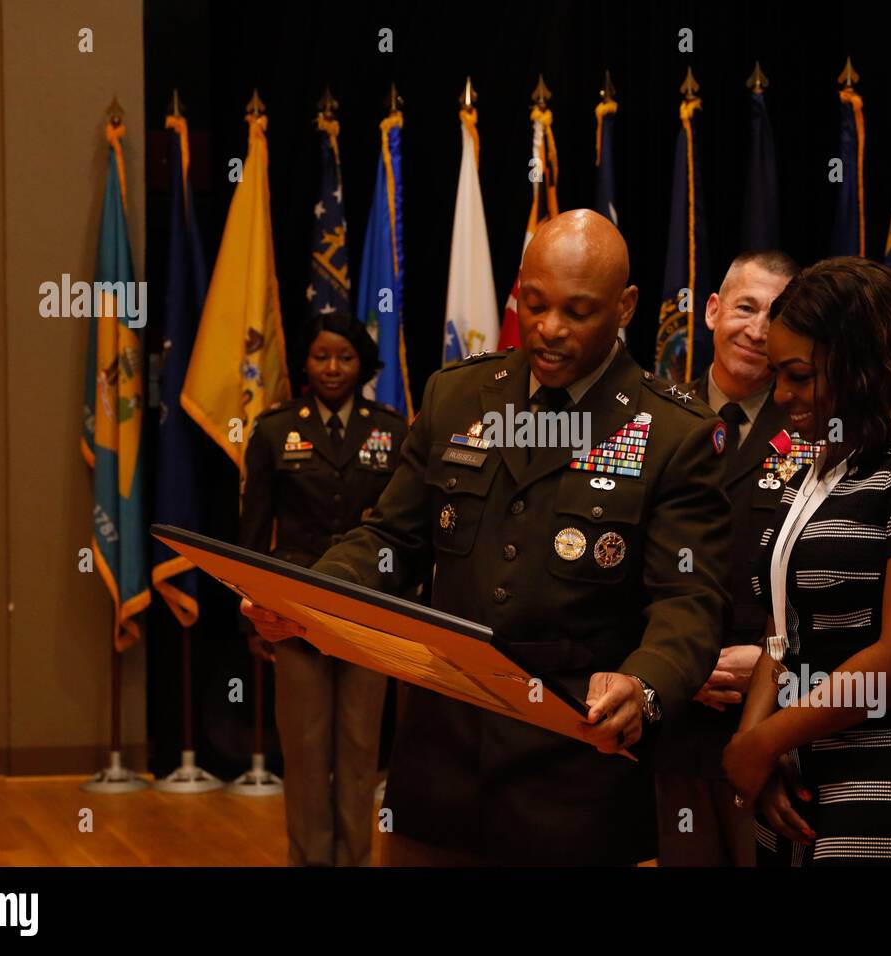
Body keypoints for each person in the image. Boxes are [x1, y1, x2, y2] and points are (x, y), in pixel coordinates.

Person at [244, 209, 730, 865]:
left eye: (577, 312)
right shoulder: (460, 396)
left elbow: (687, 600)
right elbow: (391, 539)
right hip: (436, 771)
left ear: (625, 307)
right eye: (534, 305)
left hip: (573, 777)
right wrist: (310, 597)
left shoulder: (672, 432)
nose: (549, 329)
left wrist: (645, 685)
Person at [723, 257, 891, 866]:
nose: (781, 396)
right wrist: (755, 748)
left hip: (888, 778)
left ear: (863, 368)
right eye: (777, 377)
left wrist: (767, 740)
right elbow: (779, 632)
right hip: (795, 783)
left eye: (798, 376)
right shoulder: (814, 476)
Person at [239, 311, 409, 867]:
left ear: (362, 364)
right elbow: (252, 531)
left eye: (345, 357)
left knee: (361, 749)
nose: (333, 368)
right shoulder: (273, 428)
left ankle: (356, 860)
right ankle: (310, 861)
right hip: (295, 610)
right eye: (321, 356)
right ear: (304, 363)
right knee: (307, 751)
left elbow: (405, 529)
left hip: (368, 610)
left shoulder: (392, 428)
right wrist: (253, 615)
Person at [654, 249, 797, 867]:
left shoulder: (817, 431)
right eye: (746, 308)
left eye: (777, 315)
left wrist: (775, 665)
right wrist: (674, 661)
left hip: (774, 730)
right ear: (713, 311)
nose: (758, 330)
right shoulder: (654, 420)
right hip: (671, 724)